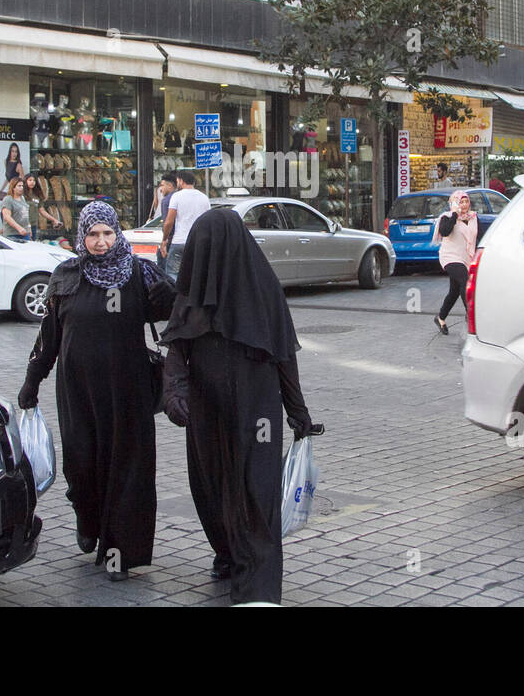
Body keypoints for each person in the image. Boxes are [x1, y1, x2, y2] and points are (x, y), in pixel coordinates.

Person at [159, 208, 322, 604]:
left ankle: (259, 586)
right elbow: (177, 348)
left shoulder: (262, 291)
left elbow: (285, 355)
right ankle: (229, 553)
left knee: (254, 491)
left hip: (257, 413)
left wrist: (298, 413)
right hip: (205, 409)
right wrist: (174, 393)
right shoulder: (192, 293)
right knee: (212, 487)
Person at [18, 202, 175, 581]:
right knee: (82, 465)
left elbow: (175, 306)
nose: (101, 242)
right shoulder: (66, 276)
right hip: (79, 394)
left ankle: (119, 551)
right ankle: (89, 521)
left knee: (128, 470)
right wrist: (32, 379)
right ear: (82, 237)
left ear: (117, 234)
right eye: (93, 234)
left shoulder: (139, 273)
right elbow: (49, 336)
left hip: (128, 392)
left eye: (107, 233)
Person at [431, 190, 478, 335]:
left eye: (466, 202)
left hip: (465, 258)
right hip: (450, 257)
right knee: (464, 282)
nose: (464, 205)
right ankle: (471, 316)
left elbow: (478, 236)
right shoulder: (447, 217)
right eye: (460, 202)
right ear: (454, 203)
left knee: (455, 291)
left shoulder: (473, 217)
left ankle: (440, 317)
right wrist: (455, 214)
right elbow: (445, 232)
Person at [161, 170, 210, 279]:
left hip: (180, 241)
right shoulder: (204, 198)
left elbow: (169, 222)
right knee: (196, 274)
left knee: (173, 274)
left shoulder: (177, 196)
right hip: (198, 242)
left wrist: (164, 240)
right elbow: (208, 220)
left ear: (181, 181)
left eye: (177, 181)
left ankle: (174, 295)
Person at [0, 176, 32, 241]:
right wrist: (19, 228)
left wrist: (29, 228)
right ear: (13, 187)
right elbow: (7, 217)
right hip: (12, 234)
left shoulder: (22, 198)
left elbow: (25, 215)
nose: (21, 188)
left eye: (22, 186)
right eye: (19, 186)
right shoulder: (8, 199)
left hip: (24, 233)